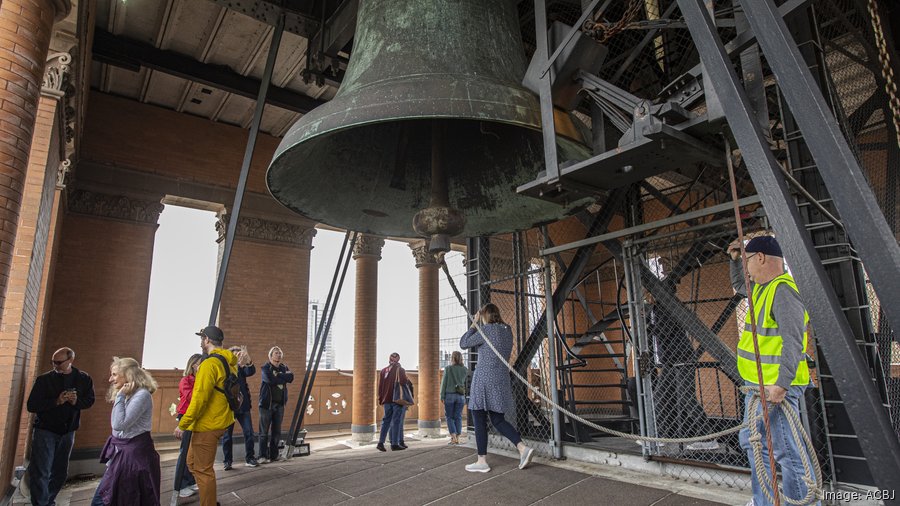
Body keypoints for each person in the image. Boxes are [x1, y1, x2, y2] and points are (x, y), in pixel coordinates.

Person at [728, 236, 819, 506]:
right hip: (760, 386)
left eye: (747, 260)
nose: (746, 268)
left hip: (774, 387)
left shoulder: (782, 291)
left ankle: (799, 503)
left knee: (783, 450)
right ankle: (766, 501)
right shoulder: (762, 289)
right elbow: (739, 285)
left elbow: (793, 341)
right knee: (759, 445)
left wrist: (781, 384)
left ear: (761, 258)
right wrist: (734, 260)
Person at [459, 303, 534, 473]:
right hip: (501, 379)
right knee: (498, 419)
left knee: (478, 417)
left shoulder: (486, 330)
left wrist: (474, 324)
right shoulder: (507, 331)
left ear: (484, 316)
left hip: (484, 379)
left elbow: (463, 343)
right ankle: (522, 448)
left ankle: (481, 461)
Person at [175, 325, 237, 506]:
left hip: (208, 424)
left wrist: (183, 424)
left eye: (202, 339)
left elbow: (199, 399)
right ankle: (208, 498)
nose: (201, 342)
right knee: (192, 462)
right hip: (221, 419)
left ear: (207, 340)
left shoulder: (209, 364)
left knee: (203, 470)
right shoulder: (230, 363)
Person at [26, 347, 95, 506]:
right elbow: (32, 405)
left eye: (59, 362)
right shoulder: (44, 380)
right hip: (45, 430)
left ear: (70, 360)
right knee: (41, 471)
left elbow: (90, 401)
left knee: (60, 472)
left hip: (68, 432)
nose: (55, 365)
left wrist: (76, 401)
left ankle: (48, 501)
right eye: (53, 362)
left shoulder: (83, 379)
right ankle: (41, 504)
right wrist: (56, 401)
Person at [91, 357, 161, 505]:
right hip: (123, 455)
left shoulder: (142, 395)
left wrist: (120, 396)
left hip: (134, 458)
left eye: (114, 374)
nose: (110, 379)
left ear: (128, 375)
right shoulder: (128, 394)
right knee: (108, 499)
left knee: (111, 500)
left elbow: (118, 424)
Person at [221, 345, 258, 469]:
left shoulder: (241, 368)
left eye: (240, 354)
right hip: (229, 407)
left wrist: (248, 358)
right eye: (235, 354)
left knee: (249, 432)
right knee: (227, 436)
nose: (238, 356)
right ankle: (227, 461)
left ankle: (250, 458)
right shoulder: (225, 368)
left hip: (243, 406)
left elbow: (251, 371)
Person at [173, 354, 203, 498]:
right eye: (200, 363)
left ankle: (190, 481)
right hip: (186, 417)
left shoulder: (199, 379)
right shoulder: (185, 380)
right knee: (184, 452)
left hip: (196, 418)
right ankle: (180, 486)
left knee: (192, 452)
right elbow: (192, 397)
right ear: (193, 365)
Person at [259, 346, 294, 462]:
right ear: (270, 356)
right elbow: (270, 380)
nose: (278, 355)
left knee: (277, 432)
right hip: (267, 405)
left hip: (280, 405)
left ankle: (274, 455)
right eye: (276, 353)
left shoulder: (284, 367)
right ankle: (262, 456)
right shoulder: (266, 368)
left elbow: (291, 378)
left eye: (279, 353)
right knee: (264, 432)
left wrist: (278, 375)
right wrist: (282, 378)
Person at [376, 352, 409, 452]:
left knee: (386, 421)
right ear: (398, 360)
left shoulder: (383, 371)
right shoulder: (400, 370)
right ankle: (394, 444)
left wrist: (381, 399)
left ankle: (380, 443)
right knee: (396, 421)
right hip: (397, 400)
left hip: (386, 399)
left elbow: (380, 387)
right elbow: (404, 382)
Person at [441, 350, 467, 445]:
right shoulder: (465, 369)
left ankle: (453, 437)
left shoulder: (448, 368)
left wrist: (442, 395)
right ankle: (458, 438)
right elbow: (466, 383)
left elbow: (444, 383)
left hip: (450, 395)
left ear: (452, 358)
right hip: (460, 396)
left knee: (449, 417)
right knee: (458, 417)